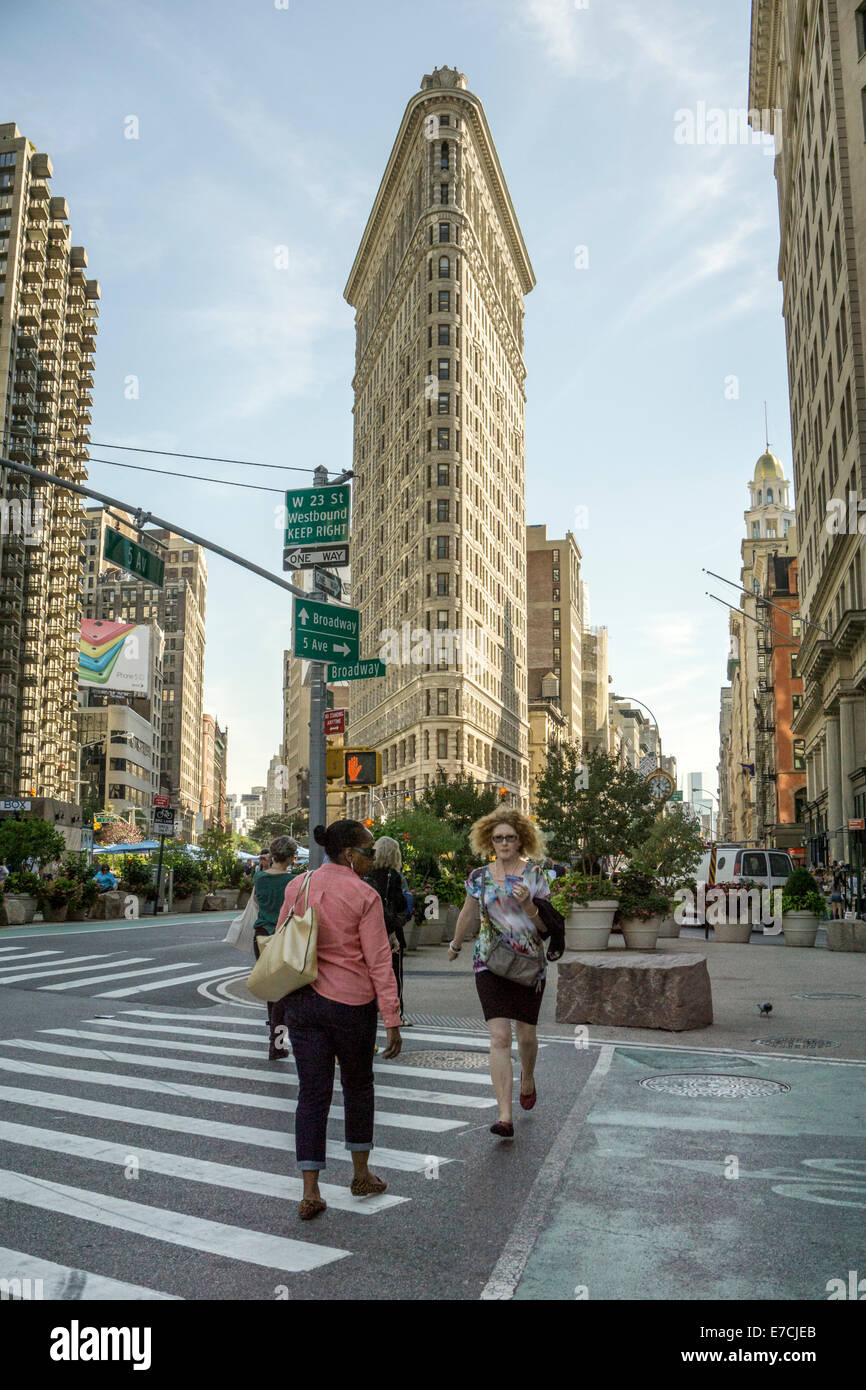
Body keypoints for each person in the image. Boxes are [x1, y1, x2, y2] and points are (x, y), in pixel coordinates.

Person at [276, 819, 402, 1221]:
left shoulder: (299, 885)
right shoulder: (365, 895)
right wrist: (392, 1017)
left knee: (312, 1094)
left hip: (303, 1003)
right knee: (358, 1086)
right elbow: (379, 960)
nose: (371, 859)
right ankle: (361, 1174)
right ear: (349, 854)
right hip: (351, 1005)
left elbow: (282, 938)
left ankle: (310, 1191)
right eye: (367, 852)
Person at [447, 808, 551, 1140]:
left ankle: (529, 1077)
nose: (504, 843)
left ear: (522, 840)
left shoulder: (534, 875)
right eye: (498, 838)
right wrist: (456, 942)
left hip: (528, 965)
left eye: (510, 837)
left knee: (526, 1038)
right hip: (489, 962)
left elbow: (549, 926)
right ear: (489, 841)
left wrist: (530, 906)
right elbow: (467, 911)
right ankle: (505, 1116)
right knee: (500, 1038)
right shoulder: (479, 876)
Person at [251, 835, 298, 1060]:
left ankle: (275, 1038)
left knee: (272, 991)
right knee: (283, 994)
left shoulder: (259, 877)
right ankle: (277, 1043)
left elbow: (257, 902)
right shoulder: (295, 881)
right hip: (283, 936)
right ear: (290, 857)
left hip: (261, 936)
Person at [364, 835, 410, 1023]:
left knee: (371, 971)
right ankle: (395, 1013)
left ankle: (371, 1008)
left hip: (370, 930)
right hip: (390, 929)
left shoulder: (367, 874)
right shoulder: (394, 876)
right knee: (394, 973)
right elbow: (399, 904)